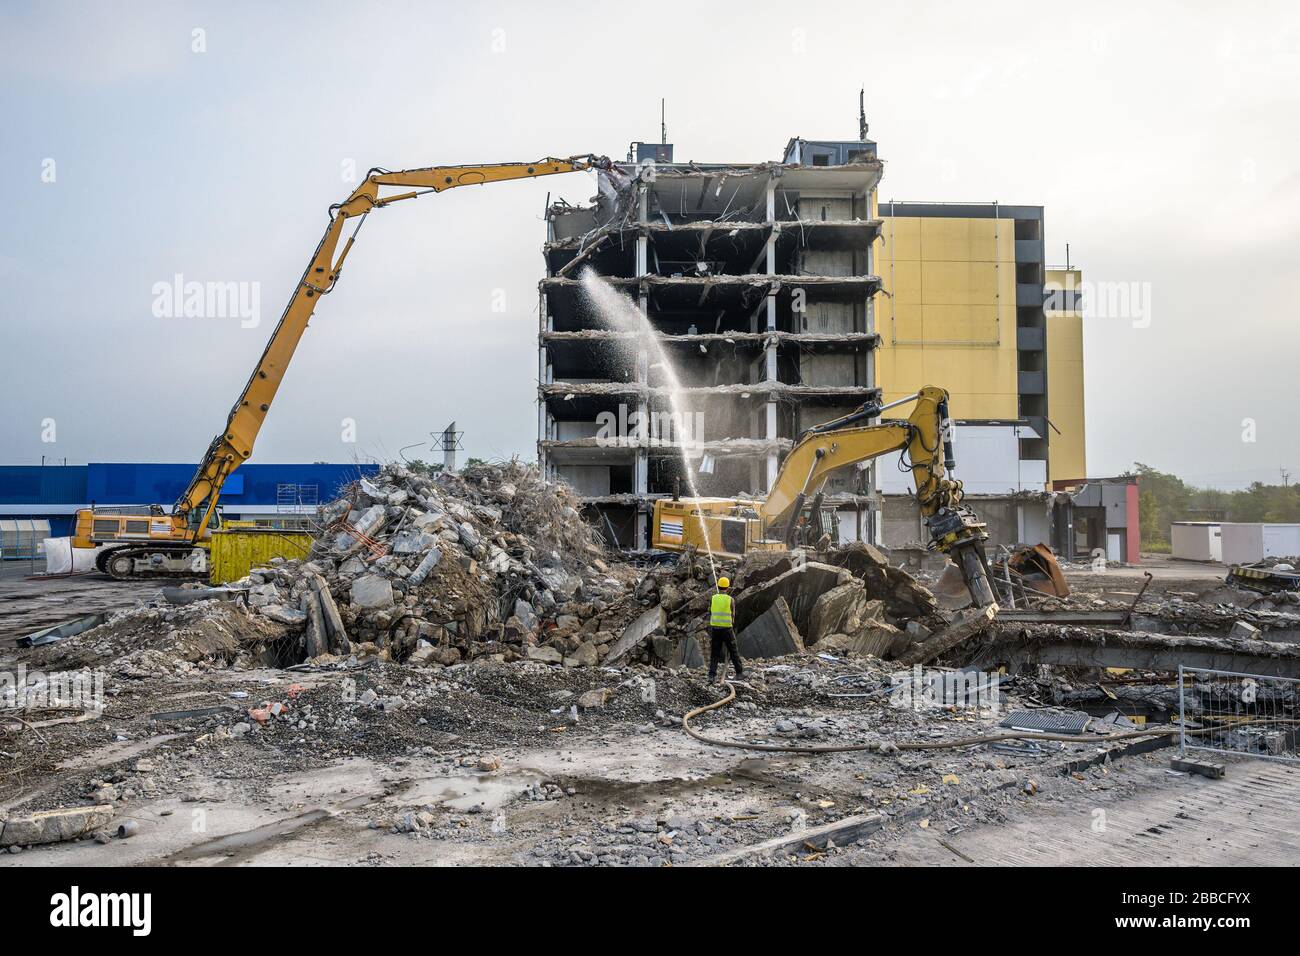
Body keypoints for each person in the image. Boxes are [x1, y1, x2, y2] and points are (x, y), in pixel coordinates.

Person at [708, 576, 745, 682]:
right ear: (728, 588)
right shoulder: (731, 600)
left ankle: (711, 676)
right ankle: (739, 673)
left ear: (718, 587)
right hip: (727, 630)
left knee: (715, 653)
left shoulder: (713, 598)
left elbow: (709, 612)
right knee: (733, 651)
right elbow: (733, 616)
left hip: (715, 629)